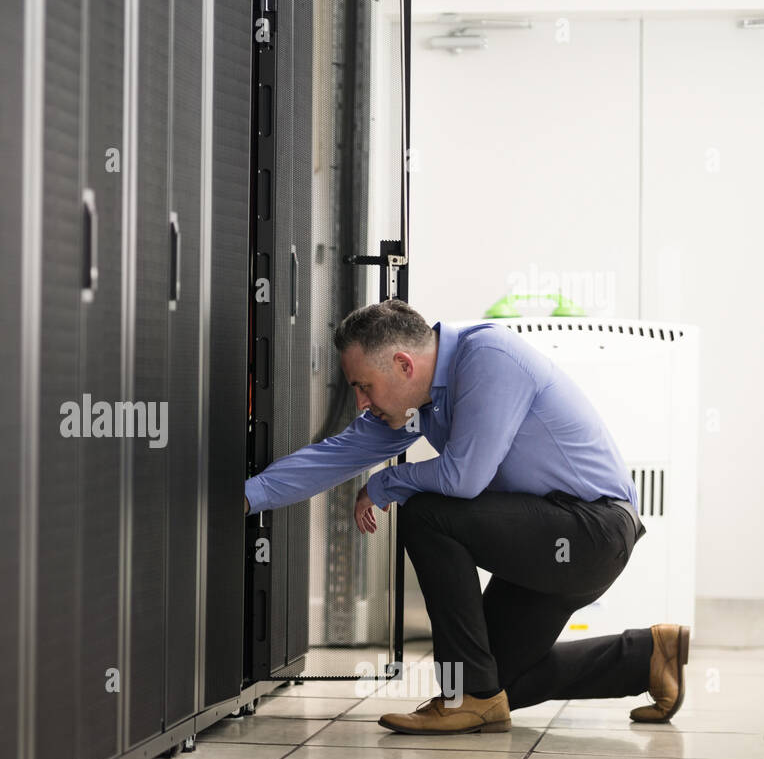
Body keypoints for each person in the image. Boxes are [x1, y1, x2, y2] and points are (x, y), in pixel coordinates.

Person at [244, 299, 690, 734]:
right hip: (547, 536)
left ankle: (464, 698)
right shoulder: (409, 407)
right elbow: (334, 456)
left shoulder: (489, 358)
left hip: (591, 532)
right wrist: (244, 499)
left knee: (426, 514)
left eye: (364, 386)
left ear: (403, 365)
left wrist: (384, 484)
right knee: (497, 679)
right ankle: (648, 656)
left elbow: (464, 478)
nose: (361, 402)